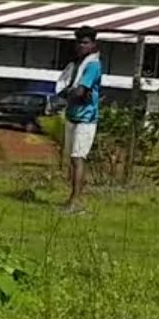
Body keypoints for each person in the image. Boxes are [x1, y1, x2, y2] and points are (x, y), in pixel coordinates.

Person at [59, 25, 102, 213]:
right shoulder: (76, 64)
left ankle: (75, 202)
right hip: (72, 115)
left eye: (85, 42)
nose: (81, 46)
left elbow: (80, 91)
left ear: (93, 44)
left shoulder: (92, 65)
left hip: (86, 117)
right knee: (72, 158)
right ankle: (72, 199)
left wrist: (67, 93)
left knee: (78, 158)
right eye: (79, 42)